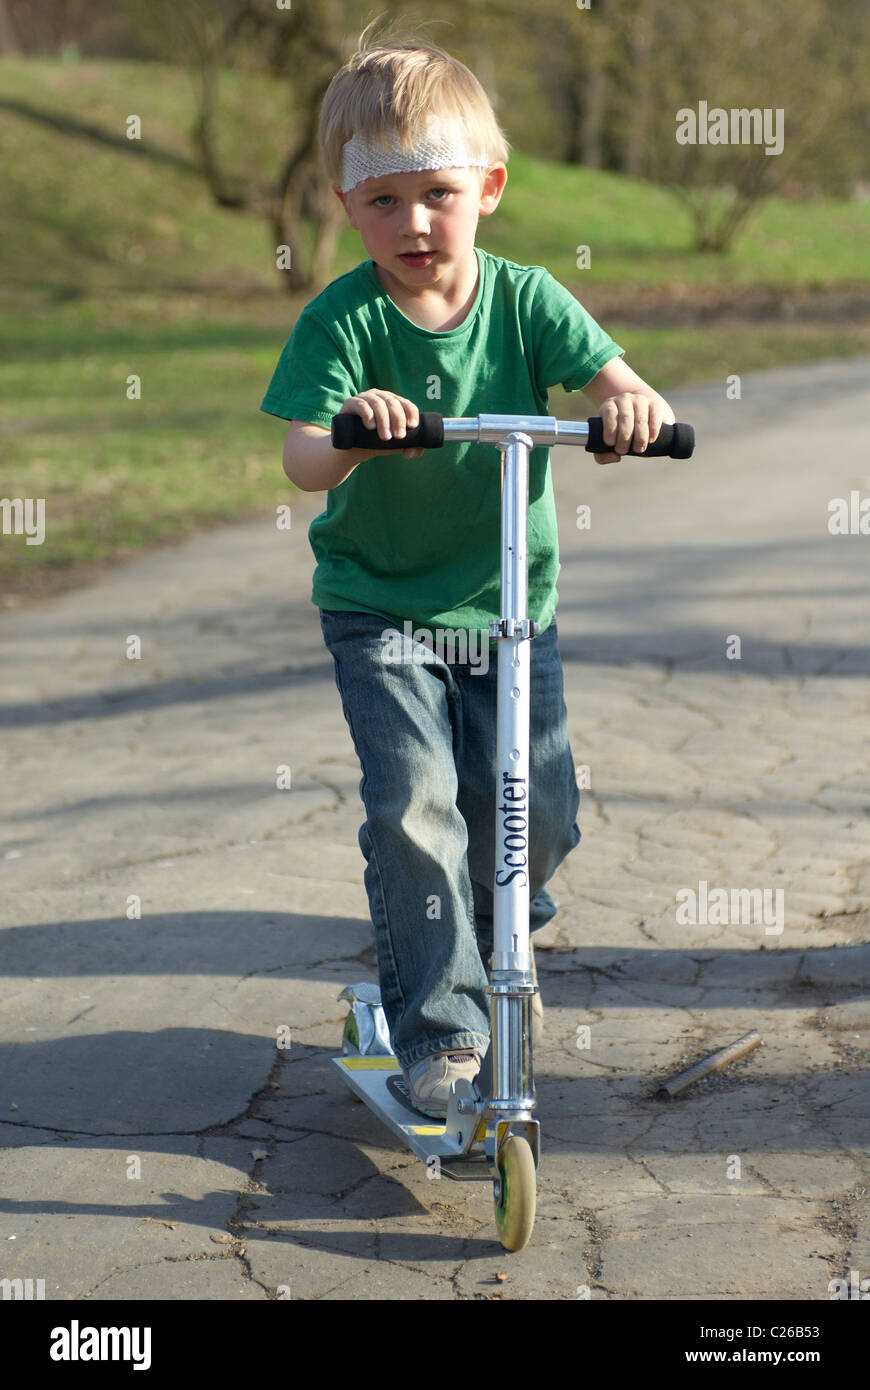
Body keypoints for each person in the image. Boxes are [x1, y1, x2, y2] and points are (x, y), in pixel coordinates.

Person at [259, 20, 675, 1117]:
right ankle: (441, 1026)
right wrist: (353, 429)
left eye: (436, 192)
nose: (413, 222)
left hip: (507, 611)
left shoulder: (530, 299)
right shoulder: (342, 318)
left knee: (538, 813)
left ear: (488, 186)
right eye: (382, 200)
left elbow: (623, 388)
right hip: (381, 608)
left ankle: (499, 947)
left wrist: (629, 406)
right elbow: (303, 458)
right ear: (347, 207)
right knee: (416, 808)